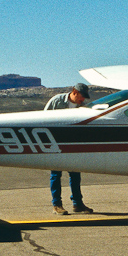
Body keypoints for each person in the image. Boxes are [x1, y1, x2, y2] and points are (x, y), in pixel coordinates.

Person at [44, 83, 94, 215]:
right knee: (56, 174)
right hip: (56, 143)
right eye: (81, 97)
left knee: (75, 174)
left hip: (72, 144)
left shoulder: (82, 106)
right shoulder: (56, 101)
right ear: (75, 92)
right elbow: (43, 119)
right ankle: (57, 205)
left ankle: (77, 203)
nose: (83, 100)